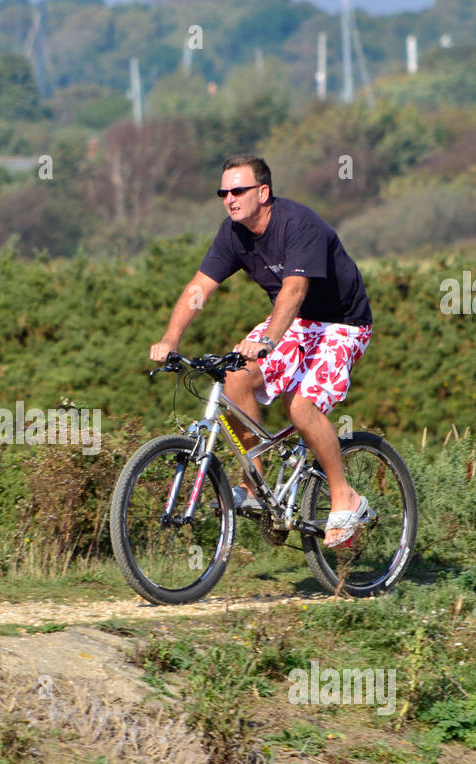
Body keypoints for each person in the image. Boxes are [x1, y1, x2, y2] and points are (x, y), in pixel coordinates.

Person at [149, 155, 374, 548]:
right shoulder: (233, 233)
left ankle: (344, 496)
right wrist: (171, 339)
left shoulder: (298, 224)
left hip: (343, 324)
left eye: (238, 190)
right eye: (224, 193)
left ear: (263, 192)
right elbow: (198, 289)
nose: (229, 199)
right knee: (234, 374)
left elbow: (294, 291)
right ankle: (253, 484)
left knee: (301, 407)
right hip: (297, 321)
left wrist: (268, 339)